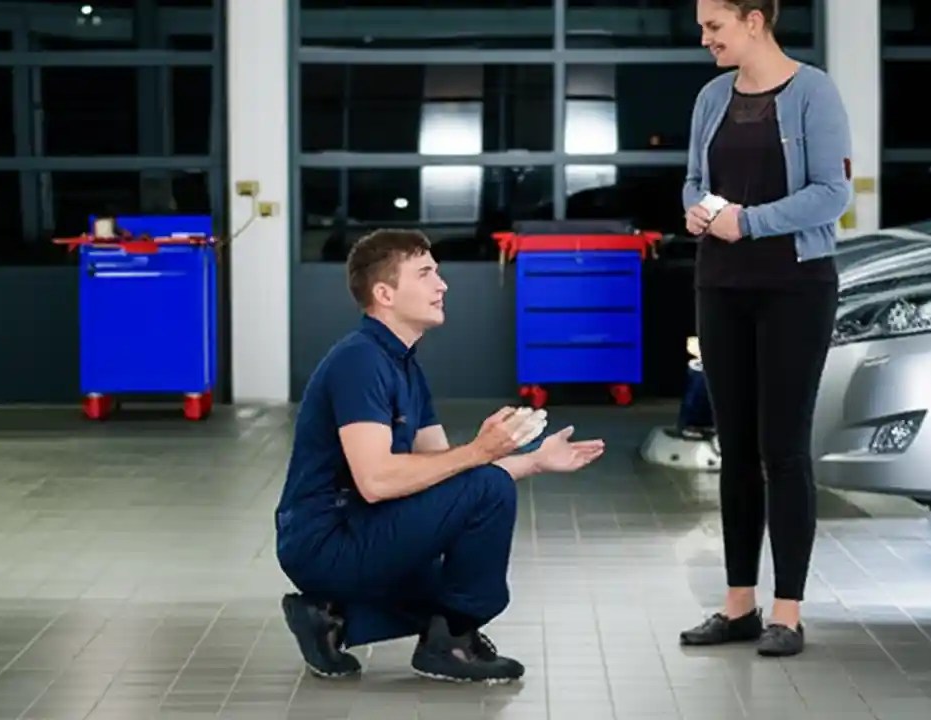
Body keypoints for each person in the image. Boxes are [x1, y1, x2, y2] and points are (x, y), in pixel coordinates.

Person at [274, 229, 605, 683]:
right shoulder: (360, 361)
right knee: (486, 499)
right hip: (325, 540)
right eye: (426, 273)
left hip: (359, 529)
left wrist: (532, 460)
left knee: (455, 572)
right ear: (384, 293)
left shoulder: (403, 365)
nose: (442, 285)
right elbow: (377, 480)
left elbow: (450, 477)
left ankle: (329, 618)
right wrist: (480, 451)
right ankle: (450, 642)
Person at [676, 0, 853, 657]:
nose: (705, 39)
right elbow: (696, 178)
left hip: (794, 289)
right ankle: (738, 605)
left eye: (714, 26)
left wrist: (747, 222)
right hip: (719, 285)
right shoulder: (710, 98)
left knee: (783, 448)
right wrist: (697, 209)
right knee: (735, 448)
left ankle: (788, 612)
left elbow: (832, 196)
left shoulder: (814, 93)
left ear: (755, 20)